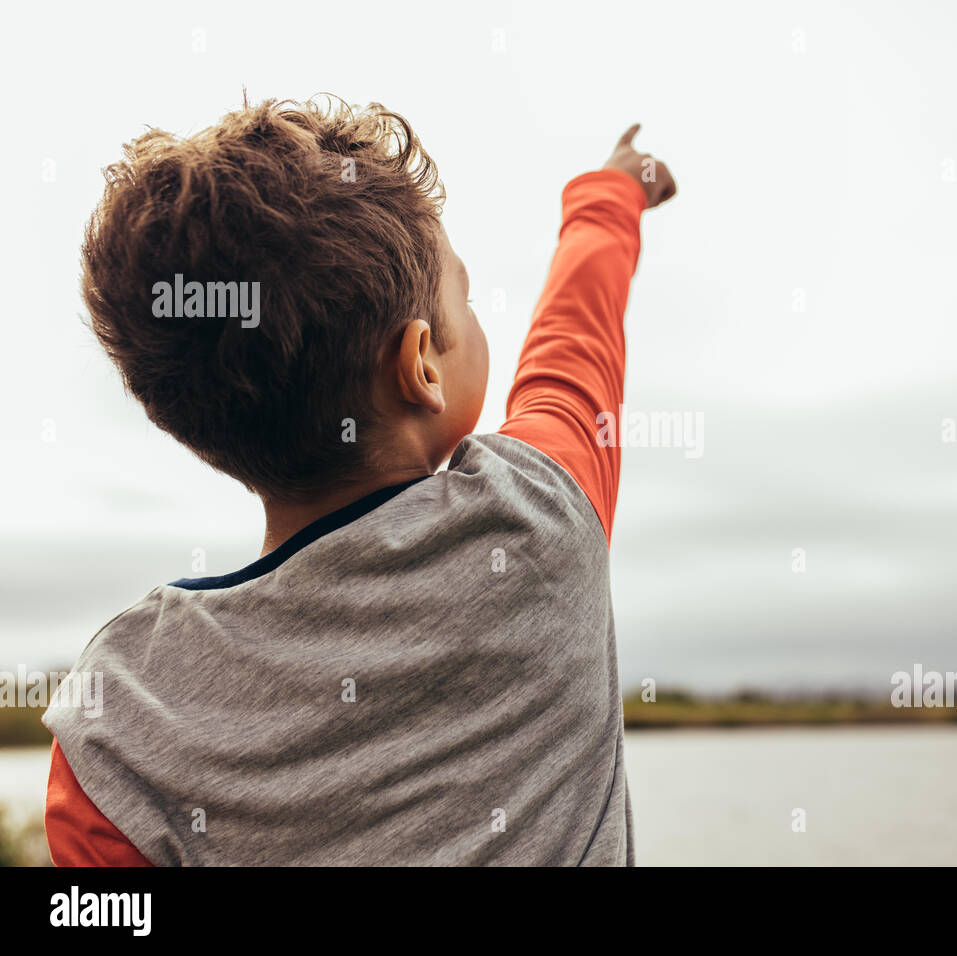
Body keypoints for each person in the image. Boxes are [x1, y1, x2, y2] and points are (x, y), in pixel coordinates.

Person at [41, 96, 675, 865]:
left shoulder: (122, 715)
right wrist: (612, 194)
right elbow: (574, 346)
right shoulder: (540, 518)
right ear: (421, 366)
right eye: (463, 297)